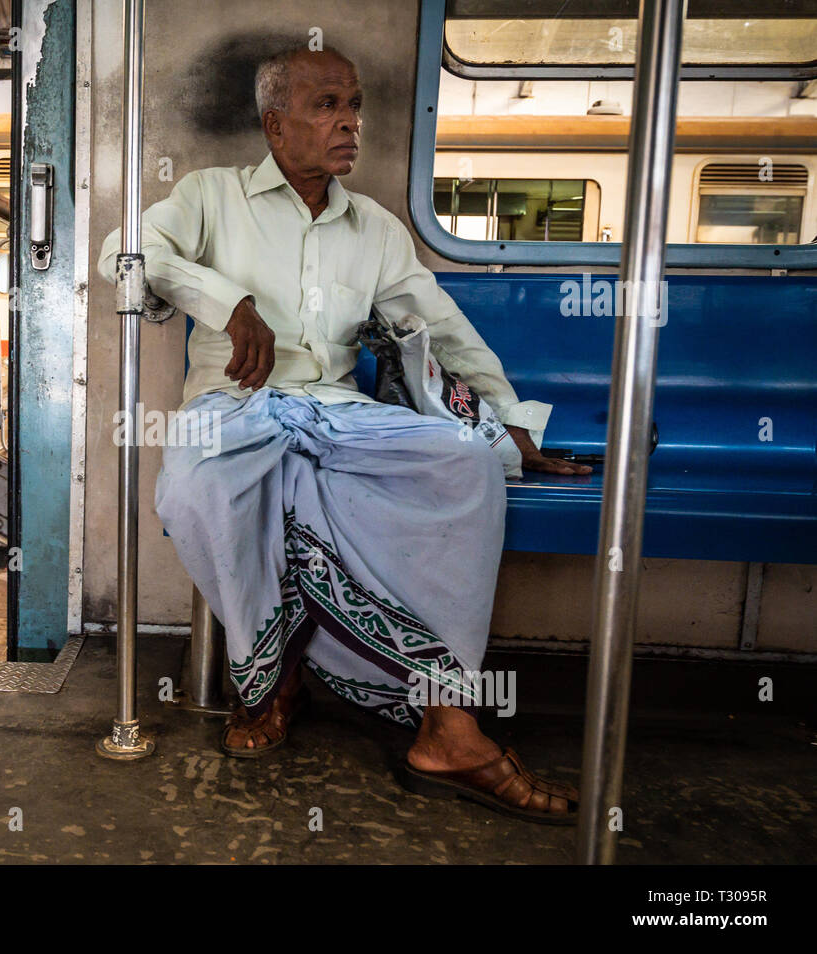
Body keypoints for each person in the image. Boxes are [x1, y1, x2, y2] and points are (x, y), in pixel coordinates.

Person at [98, 45, 589, 824]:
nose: (350, 122)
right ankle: (275, 678)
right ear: (275, 124)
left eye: (353, 104)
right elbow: (127, 256)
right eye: (326, 105)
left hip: (336, 409)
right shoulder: (209, 196)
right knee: (199, 487)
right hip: (232, 405)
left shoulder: (377, 230)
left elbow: (444, 330)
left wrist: (508, 419)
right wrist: (228, 303)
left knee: (466, 466)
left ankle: (429, 712)